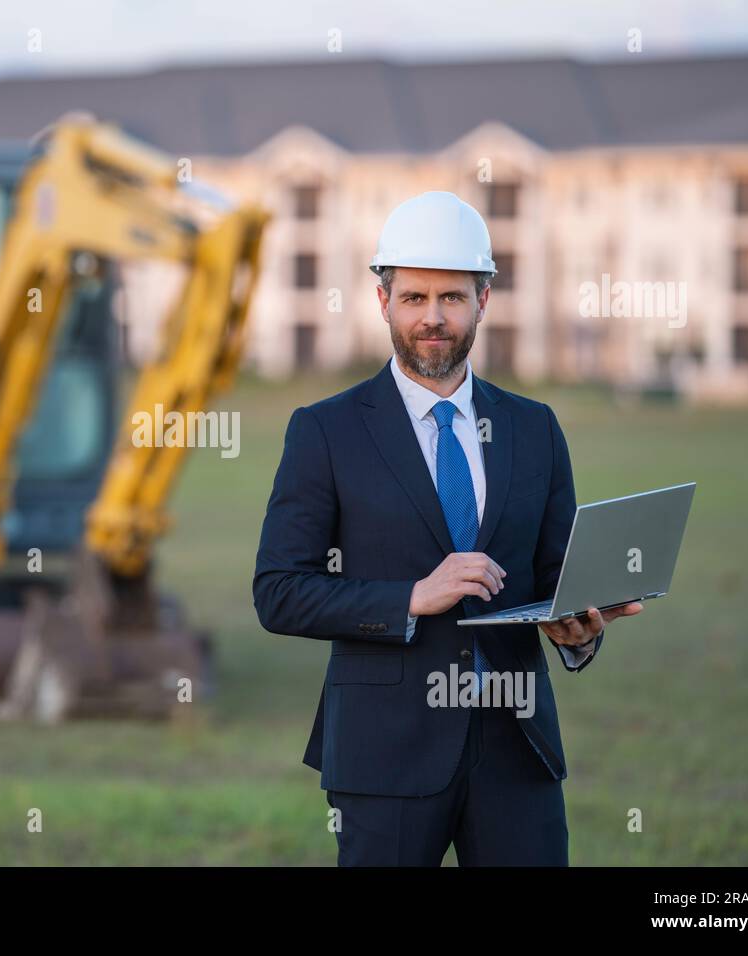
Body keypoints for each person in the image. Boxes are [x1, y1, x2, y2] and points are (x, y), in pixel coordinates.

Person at [251, 191, 642, 866]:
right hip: (384, 758)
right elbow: (279, 591)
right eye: (414, 298)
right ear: (383, 301)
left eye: (452, 298)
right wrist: (409, 597)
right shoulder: (325, 431)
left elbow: (553, 580)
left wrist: (578, 633)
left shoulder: (535, 428)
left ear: (484, 300)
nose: (433, 319)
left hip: (518, 752)